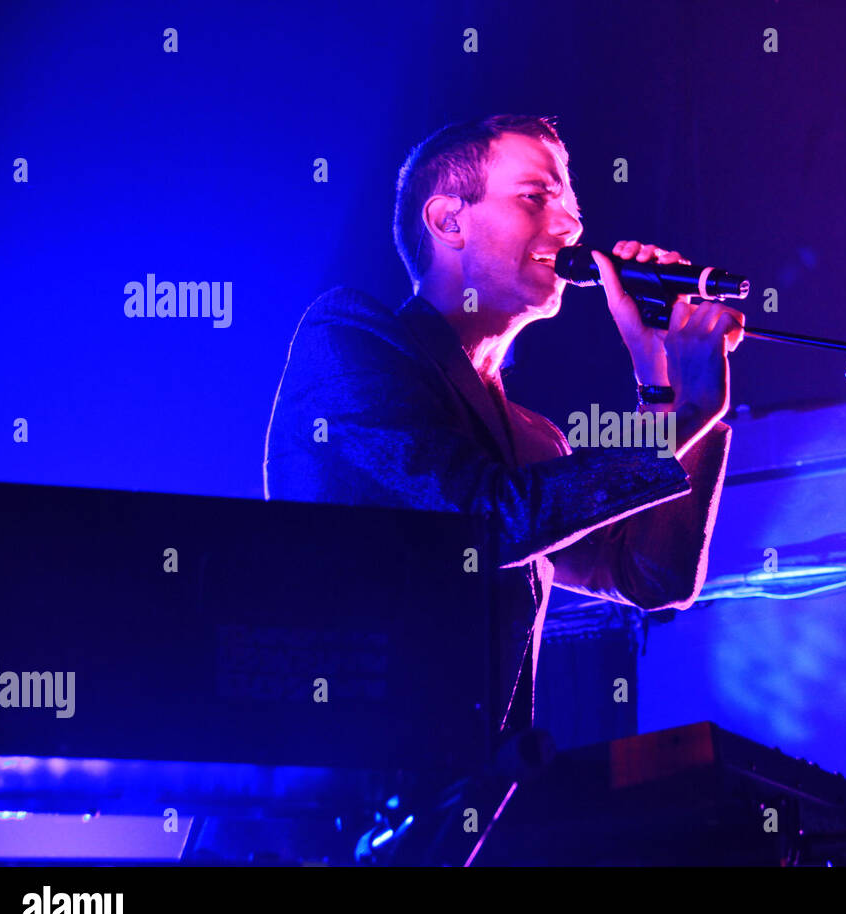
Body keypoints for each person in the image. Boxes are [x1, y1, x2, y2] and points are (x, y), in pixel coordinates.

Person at [263, 114, 744, 752]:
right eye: (535, 197)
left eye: (572, 203)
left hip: (454, 817)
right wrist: (682, 418)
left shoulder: (532, 437)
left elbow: (652, 576)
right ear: (448, 221)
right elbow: (486, 518)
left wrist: (670, 388)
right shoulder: (350, 338)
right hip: (323, 800)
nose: (572, 225)